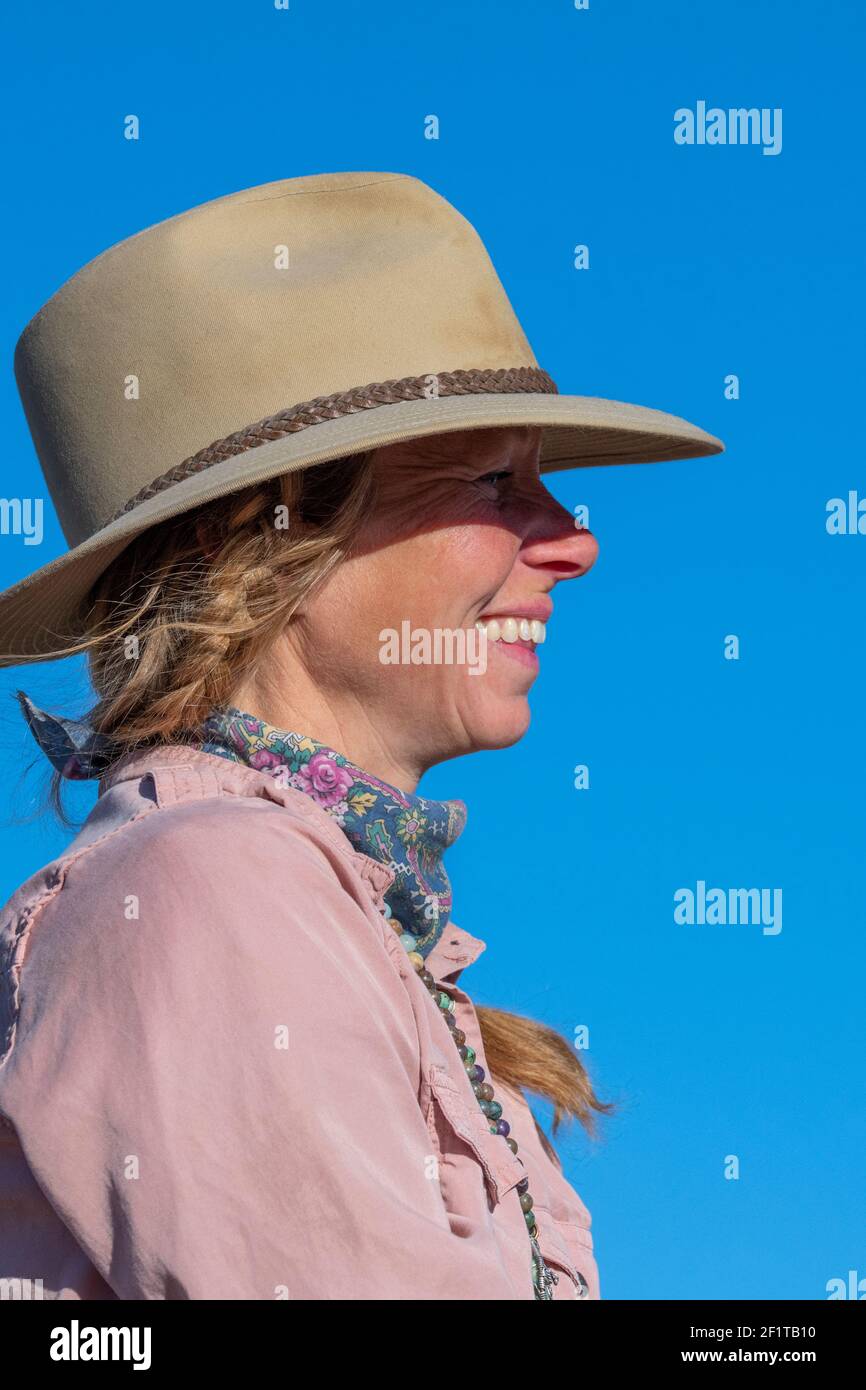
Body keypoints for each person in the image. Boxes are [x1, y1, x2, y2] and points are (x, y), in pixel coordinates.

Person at [0, 172, 723, 1300]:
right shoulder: (211, 888)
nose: (571, 542)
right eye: (494, 479)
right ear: (273, 543)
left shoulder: (311, 908)